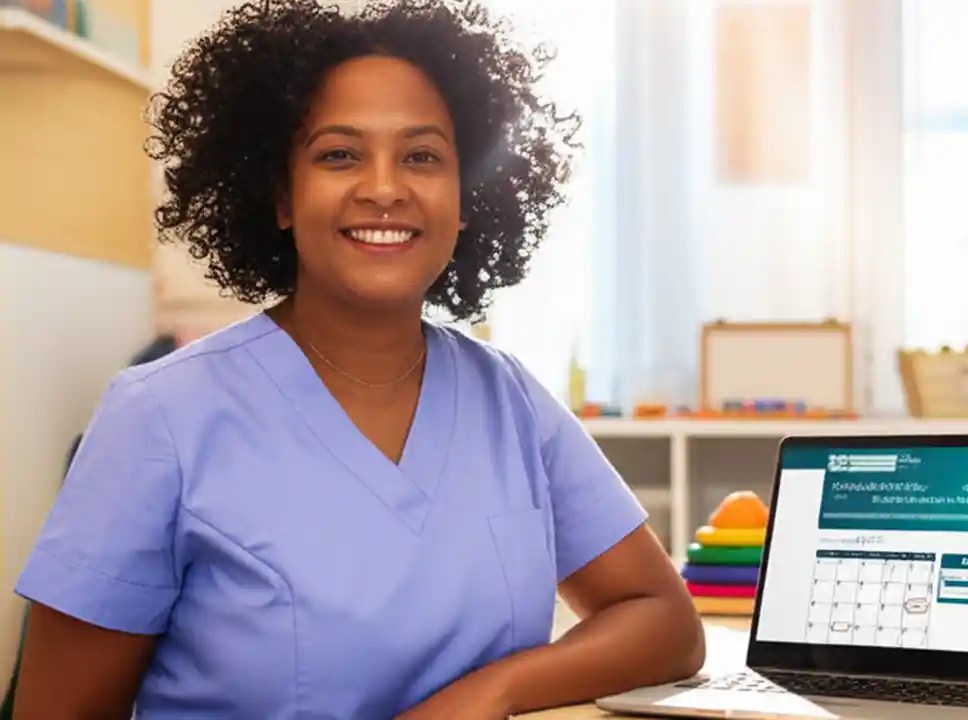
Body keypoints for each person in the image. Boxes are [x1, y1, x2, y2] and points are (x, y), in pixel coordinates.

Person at [10, 1, 704, 717]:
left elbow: (663, 619)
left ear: (466, 199)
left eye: (422, 156)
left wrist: (488, 693)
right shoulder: (159, 416)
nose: (383, 187)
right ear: (281, 195)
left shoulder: (512, 402)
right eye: (339, 154)